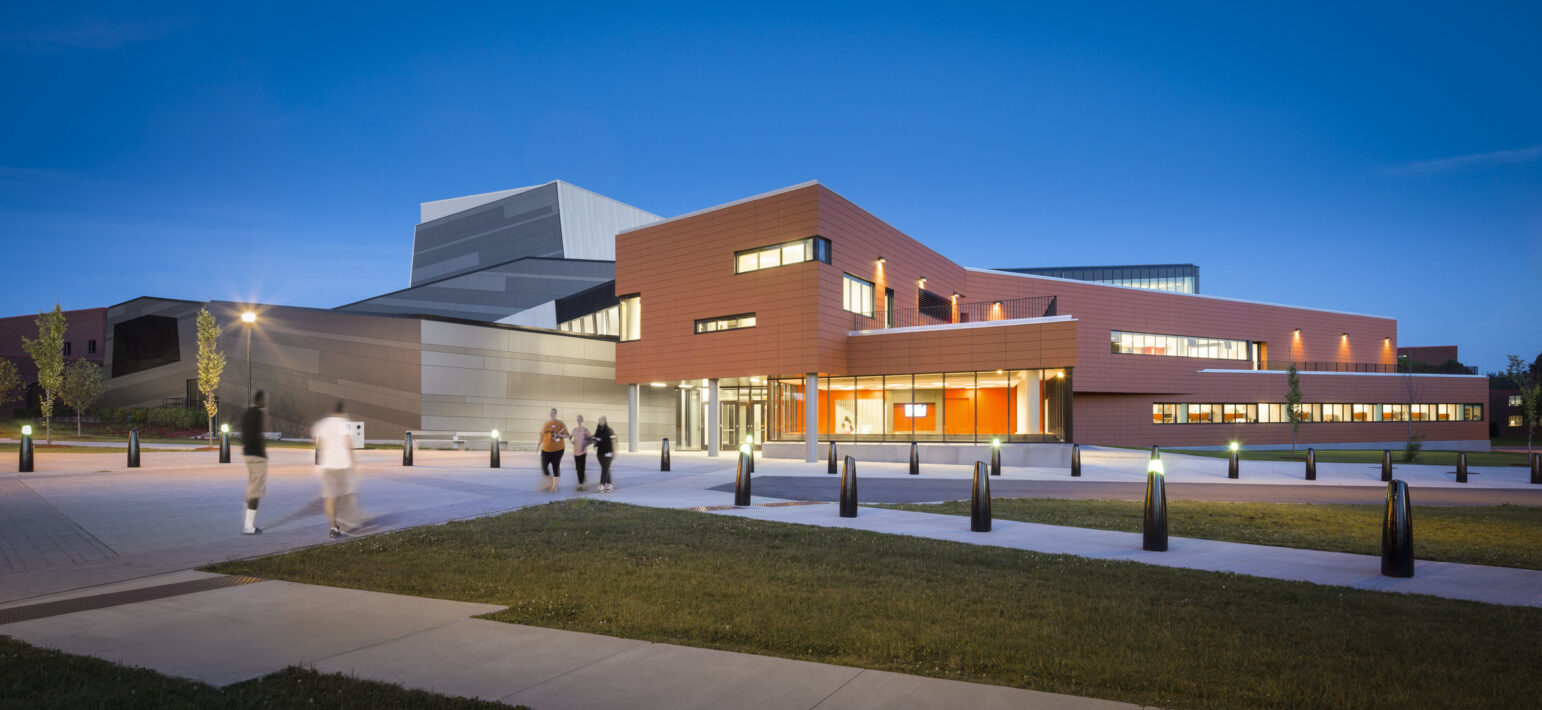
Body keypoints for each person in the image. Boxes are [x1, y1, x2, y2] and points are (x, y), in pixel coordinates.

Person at [311, 401, 357, 539]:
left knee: (330, 497)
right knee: (343, 496)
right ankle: (342, 522)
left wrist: (318, 465)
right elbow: (348, 444)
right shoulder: (344, 424)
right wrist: (354, 463)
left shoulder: (322, 425)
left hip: (327, 466)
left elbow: (319, 446)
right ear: (343, 412)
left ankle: (333, 527)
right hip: (342, 466)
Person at [240, 390, 268, 534]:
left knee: (252, 487)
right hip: (257, 456)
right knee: (255, 491)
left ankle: (248, 523)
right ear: (261, 400)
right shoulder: (258, 414)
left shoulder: (247, 413)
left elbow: (244, 433)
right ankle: (249, 526)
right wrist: (262, 454)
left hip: (247, 455)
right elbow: (257, 435)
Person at [538, 408, 568, 492]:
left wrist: (558, 435)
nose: (552, 415)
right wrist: (538, 445)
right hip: (545, 449)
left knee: (555, 466)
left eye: (553, 413)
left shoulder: (560, 424)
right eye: (551, 413)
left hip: (557, 450)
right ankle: (550, 482)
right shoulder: (546, 424)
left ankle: (554, 486)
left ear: (556, 414)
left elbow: (566, 435)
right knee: (544, 467)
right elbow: (542, 436)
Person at [594, 415, 616, 492]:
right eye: (599, 421)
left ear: (605, 421)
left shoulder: (610, 430)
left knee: (605, 469)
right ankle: (609, 485)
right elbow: (594, 439)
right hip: (600, 454)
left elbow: (613, 442)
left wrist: (614, 452)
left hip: (608, 453)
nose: (600, 422)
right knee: (606, 469)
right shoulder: (598, 431)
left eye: (602, 421)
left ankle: (602, 484)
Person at [570, 414, 592, 491]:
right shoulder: (574, 430)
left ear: (582, 420)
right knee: (577, 468)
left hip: (583, 452)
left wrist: (586, 444)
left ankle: (580, 485)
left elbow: (591, 439)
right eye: (577, 419)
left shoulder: (585, 430)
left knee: (580, 468)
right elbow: (571, 438)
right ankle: (583, 479)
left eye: (580, 419)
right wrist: (572, 441)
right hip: (575, 452)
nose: (579, 421)